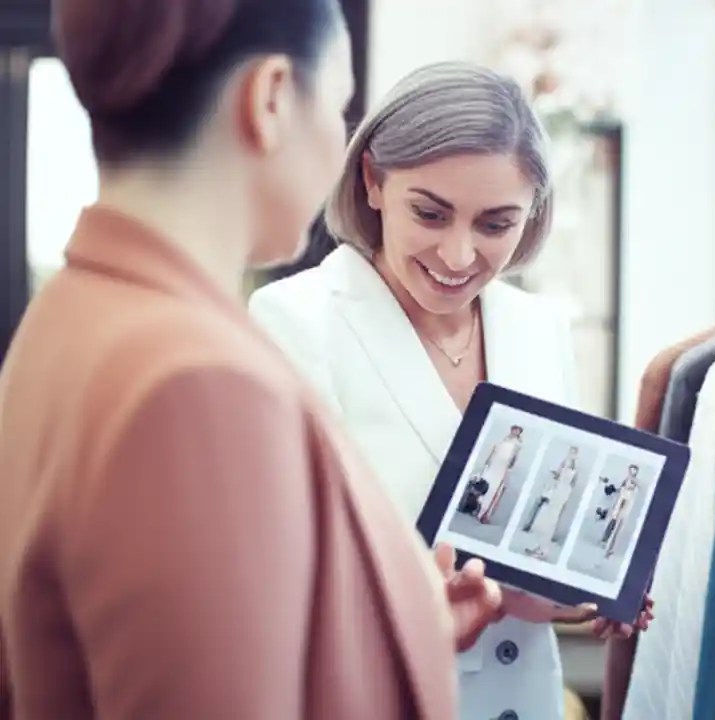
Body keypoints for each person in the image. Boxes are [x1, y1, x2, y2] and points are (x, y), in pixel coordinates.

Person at [0, 2, 498, 718]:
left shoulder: (75, 312)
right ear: (270, 99)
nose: (338, 148)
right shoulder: (197, 384)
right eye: (337, 107)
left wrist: (396, 627)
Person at [249, 60, 651, 720]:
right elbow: (267, 580)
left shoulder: (540, 327)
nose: (459, 256)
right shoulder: (295, 322)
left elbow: (534, 545)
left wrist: (586, 589)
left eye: (496, 224)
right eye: (431, 214)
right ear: (374, 180)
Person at [524, 447, 580, 558]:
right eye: (570, 452)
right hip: (556, 493)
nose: (571, 455)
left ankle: (543, 550)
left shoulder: (574, 471)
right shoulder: (563, 465)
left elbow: (571, 485)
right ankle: (539, 547)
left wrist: (564, 497)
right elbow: (557, 477)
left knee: (551, 522)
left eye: (573, 453)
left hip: (561, 495)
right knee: (545, 522)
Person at [477, 425, 525, 524]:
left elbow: (514, 458)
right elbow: (494, 450)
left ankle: (485, 514)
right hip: (494, 465)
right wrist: (488, 460)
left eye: (518, 431)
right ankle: (478, 508)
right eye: (514, 430)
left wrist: (509, 466)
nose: (515, 432)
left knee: (495, 489)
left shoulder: (517, 444)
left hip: (502, 468)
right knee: (486, 485)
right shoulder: (503, 440)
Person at [600, 465, 642, 557]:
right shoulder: (626, 480)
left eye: (634, 471)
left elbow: (638, 488)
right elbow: (621, 489)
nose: (631, 472)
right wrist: (614, 490)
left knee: (619, 523)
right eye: (630, 470)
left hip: (626, 503)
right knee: (612, 520)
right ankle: (605, 539)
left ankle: (611, 546)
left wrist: (632, 481)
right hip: (619, 501)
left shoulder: (635, 482)